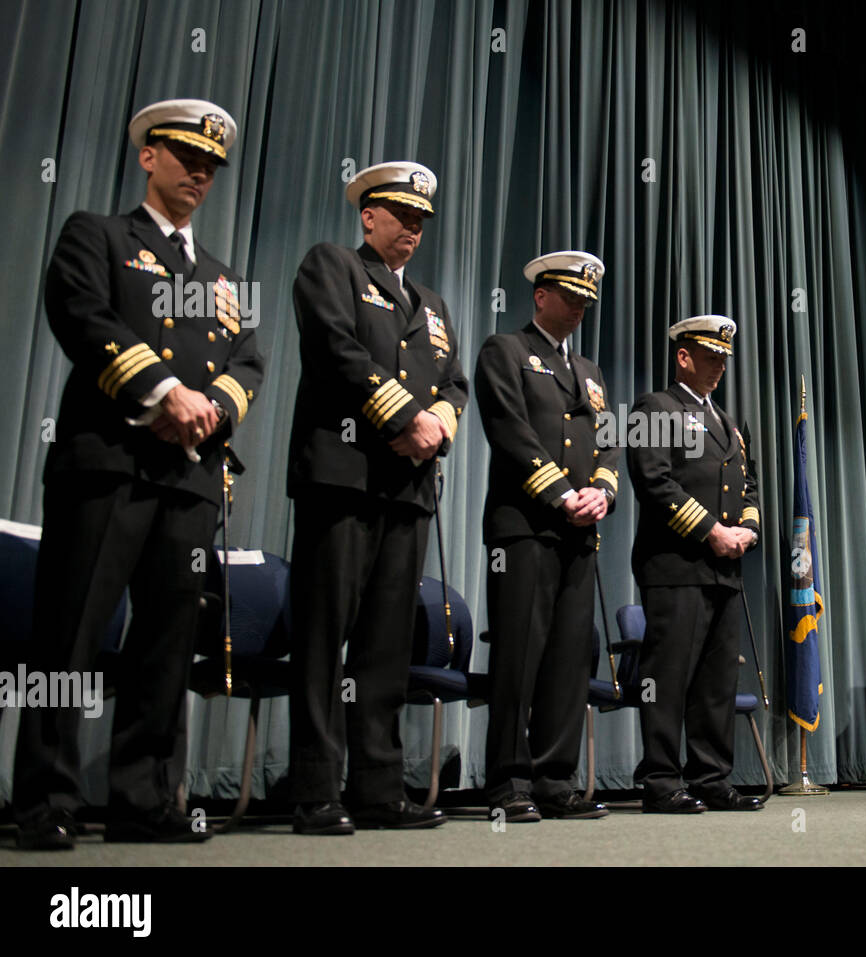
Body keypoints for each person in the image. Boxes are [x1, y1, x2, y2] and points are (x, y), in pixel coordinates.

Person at [14, 98, 264, 848]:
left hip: (188, 477)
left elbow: (250, 361)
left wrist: (211, 408)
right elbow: (82, 313)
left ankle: (145, 798)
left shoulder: (225, 278)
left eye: (211, 165)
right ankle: (47, 799)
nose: (200, 172)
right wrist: (162, 391)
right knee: (72, 634)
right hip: (109, 465)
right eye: (187, 156)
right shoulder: (97, 234)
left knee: (164, 642)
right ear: (148, 156)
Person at [286, 162, 467, 834]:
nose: (413, 231)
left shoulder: (435, 306)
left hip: (407, 490)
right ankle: (313, 790)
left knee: (386, 649)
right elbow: (336, 347)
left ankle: (377, 788)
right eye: (402, 217)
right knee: (321, 636)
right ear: (369, 215)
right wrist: (404, 418)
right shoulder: (332, 265)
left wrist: (437, 426)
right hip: (342, 477)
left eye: (422, 221)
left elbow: (456, 384)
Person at [475, 250, 619, 822]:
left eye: (588, 298)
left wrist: (603, 491)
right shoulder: (505, 351)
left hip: (582, 532)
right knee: (519, 655)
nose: (581, 305)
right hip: (525, 529)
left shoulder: (590, 372)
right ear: (540, 295)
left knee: (567, 659)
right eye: (571, 295)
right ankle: (509, 783)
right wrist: (562, 494)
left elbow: (608, 442)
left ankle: (555, 779)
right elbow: (509, 429)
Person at [627, 315, 763, 813]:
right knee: (668, 676)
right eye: (711, 356)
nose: (720, 366)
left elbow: (749, 487)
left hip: (725, 568)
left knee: (716, 680)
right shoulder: (655, 407)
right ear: (684, 356)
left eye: (725, 358)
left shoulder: (727, 421)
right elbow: (654, 481)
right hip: (676, 565)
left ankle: (712, 778)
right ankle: (660, 781)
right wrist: (712, 531)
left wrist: (747, 528)